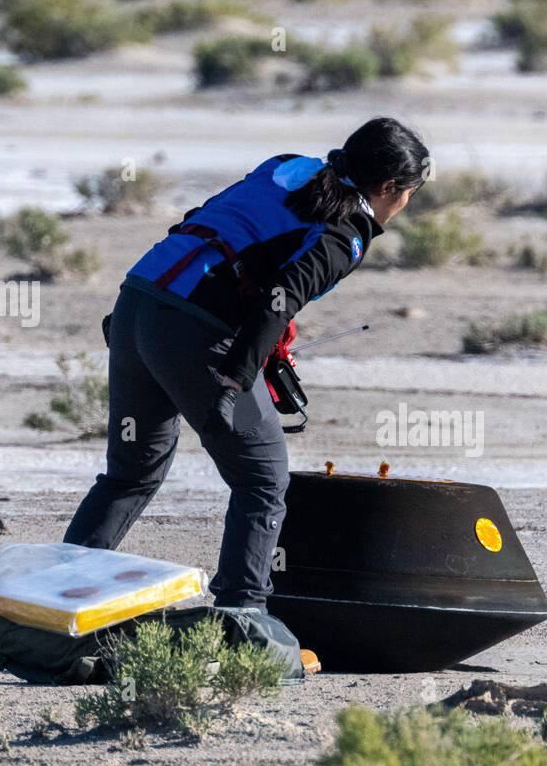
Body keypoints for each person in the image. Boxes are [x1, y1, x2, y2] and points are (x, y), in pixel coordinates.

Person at [63, 117, 429, 609]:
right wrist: (235, 380)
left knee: (130, 474)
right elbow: (282, 298)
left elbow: (200, 220)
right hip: (192, 327)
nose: (407, 204)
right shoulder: (347, 234)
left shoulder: (287, 166)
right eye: (410, 193)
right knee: (263, 479)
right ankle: (243, 615)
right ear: (389, 188)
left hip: (139, 299)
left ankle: (53, 600)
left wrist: (142, 316)